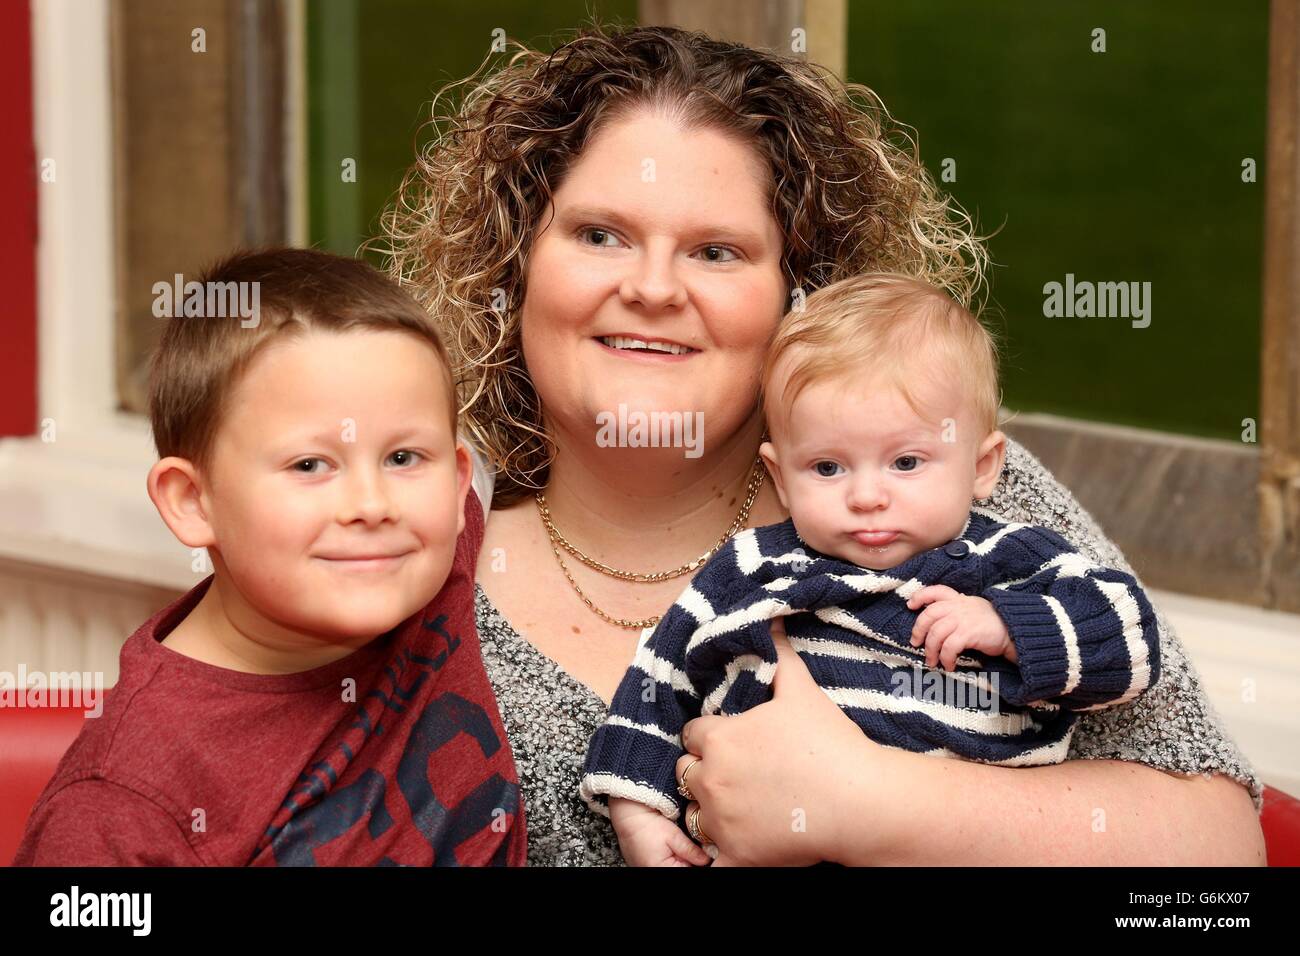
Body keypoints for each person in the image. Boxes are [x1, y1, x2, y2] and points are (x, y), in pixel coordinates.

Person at [379, 23, 1264, 866]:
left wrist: (871, 803)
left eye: (717, 251)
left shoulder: (942, 490)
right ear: (512, 265)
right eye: (599, 235)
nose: (651, 287)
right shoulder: (398, 550)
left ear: (800, 299)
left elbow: (1220, 858)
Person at [580, 273, 1164, 865]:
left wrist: (1010, 628)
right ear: (781, 477)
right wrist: (638, 812)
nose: (866, 496)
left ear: (983, 466)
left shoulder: (1011, 562)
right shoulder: (751, 568)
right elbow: (658, 680)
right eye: (828, 468)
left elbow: (1132, 639)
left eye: (905, 462)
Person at [13, 248, 527, 866]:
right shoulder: (121, 809)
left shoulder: (433, 557)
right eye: (310, 466)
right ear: (192, 502)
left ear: (455, 482)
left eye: (404, 458)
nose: (372, 504)